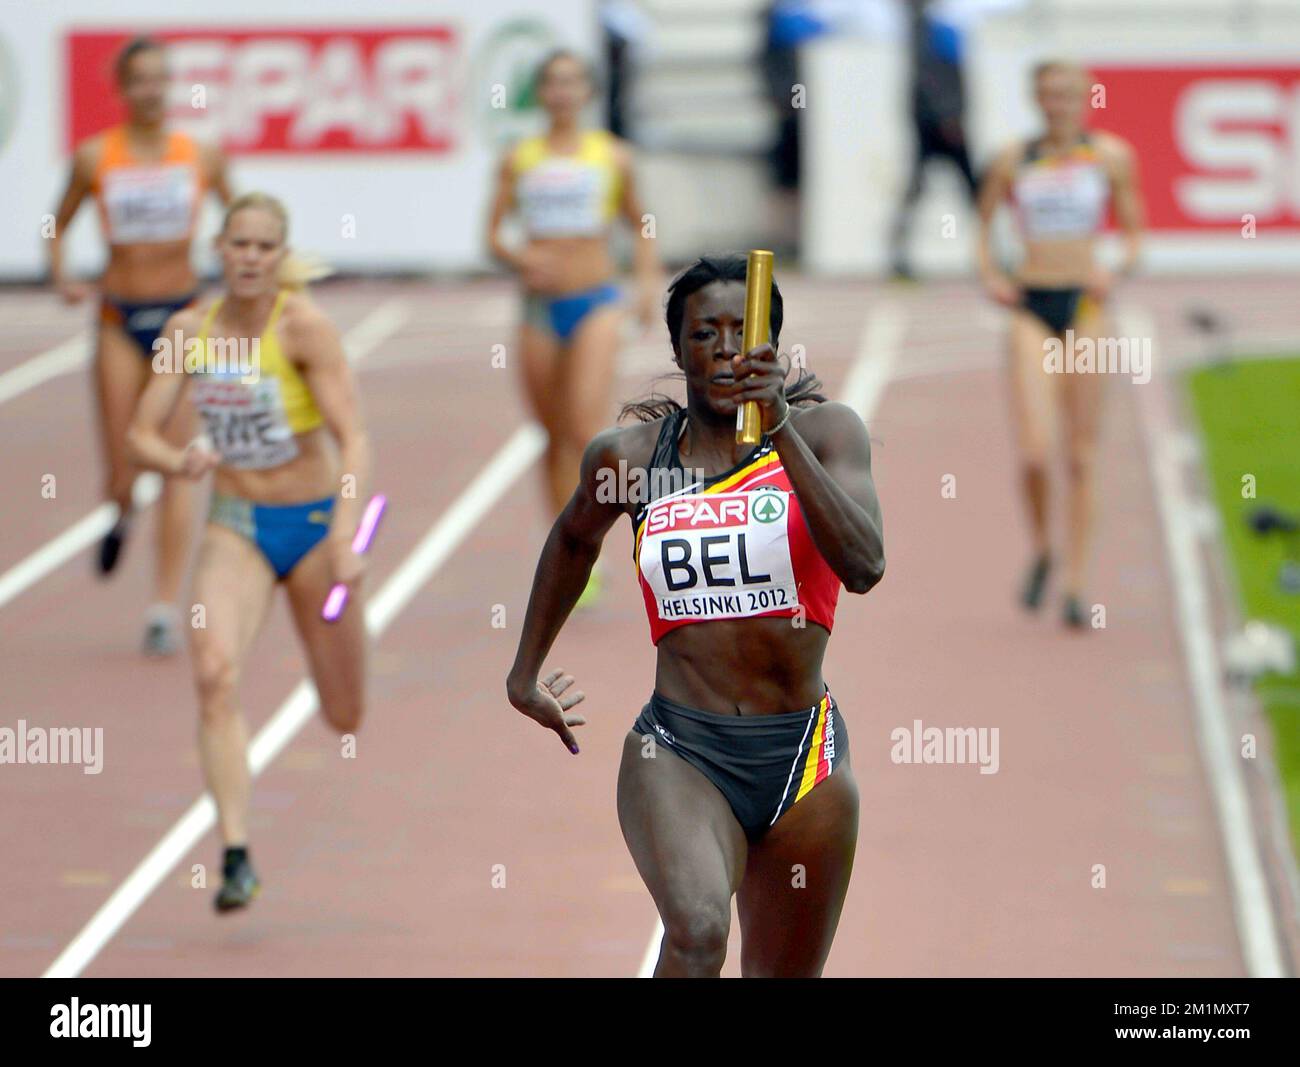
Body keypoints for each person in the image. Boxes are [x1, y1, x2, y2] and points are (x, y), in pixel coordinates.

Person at [506, 254, 885, 976]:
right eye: (703, 332)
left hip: (804, 762)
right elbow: (574, 537)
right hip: (679, 750)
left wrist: (781, 434)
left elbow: (864, 565)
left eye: (742, 330)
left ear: (772, 345)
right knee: (698, 928)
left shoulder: (830, 434)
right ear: (678, 348)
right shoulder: (632, 458)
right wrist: (524, 674)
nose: (723, 347)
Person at [127, 192, 370, 911]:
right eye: (239, 244)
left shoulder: (303, 329)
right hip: (237, 522)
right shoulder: (186, 330)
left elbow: (354, 436)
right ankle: (236, 851)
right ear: (219, 249)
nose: (251, 257)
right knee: (213, 671)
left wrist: (348, 530)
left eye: (265, 247)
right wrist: (179, 463)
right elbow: (141, 432)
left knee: (345, 713)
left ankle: (340, 664)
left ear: (280, 255)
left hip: (319, 523)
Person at [48, 35, 233, 655]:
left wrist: (234, 274)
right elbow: (57, 222)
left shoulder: (200, 155)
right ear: (123, 90)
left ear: (170, 86)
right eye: (140, 80)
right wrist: (62, 276)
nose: (152, 90)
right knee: (127, 463)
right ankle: (122, 509)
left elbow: (241, 221)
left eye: (161, 78)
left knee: (177, 461)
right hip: (116, 319)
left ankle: (161, 606)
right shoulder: (96, 155)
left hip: (180, 316)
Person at [486, 48, 661, 606]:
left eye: (573, 82)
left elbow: (642, 225)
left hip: (596, 301)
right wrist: (520, 260)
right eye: (552, 82)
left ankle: (596, 550)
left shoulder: (611, 156)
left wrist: (646, 283)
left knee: (586, 431)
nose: (563, 92)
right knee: (551, 432)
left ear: (588, 92)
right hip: (540, 308)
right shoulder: (520, 157)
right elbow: (491, 235)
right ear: (541, 93)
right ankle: (561, 545)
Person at [976, 59, 1143, 627]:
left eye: (1069, 91)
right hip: (1032, 307)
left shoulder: (1111, 156)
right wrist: (993, 278)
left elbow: (1136, 233)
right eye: (1049, 92)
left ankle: (1075, 581)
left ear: (1085, 96)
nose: (1059, 101)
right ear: (1036, 97)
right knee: (1035, 451)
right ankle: (1044, 547)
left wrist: (1114, 268)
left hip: (1087, 306)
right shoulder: (1012, 159)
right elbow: (982, 232)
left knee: (1081, 453)